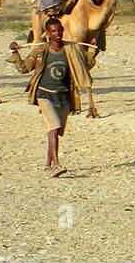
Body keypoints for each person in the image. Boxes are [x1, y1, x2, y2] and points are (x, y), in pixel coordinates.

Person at [9, 18, 97, 177]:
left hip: (64, 96)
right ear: (48, 33)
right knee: (54, 126)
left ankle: (48, 164)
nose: (58, 33)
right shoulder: (40, 51)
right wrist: (15, 53)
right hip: (44, 94)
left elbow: (84, 66)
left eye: (60, 30)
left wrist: (92, 50)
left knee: (56, 130)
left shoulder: (72, 49)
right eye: (54, 31)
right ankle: (56, 164)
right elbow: (25, 68)